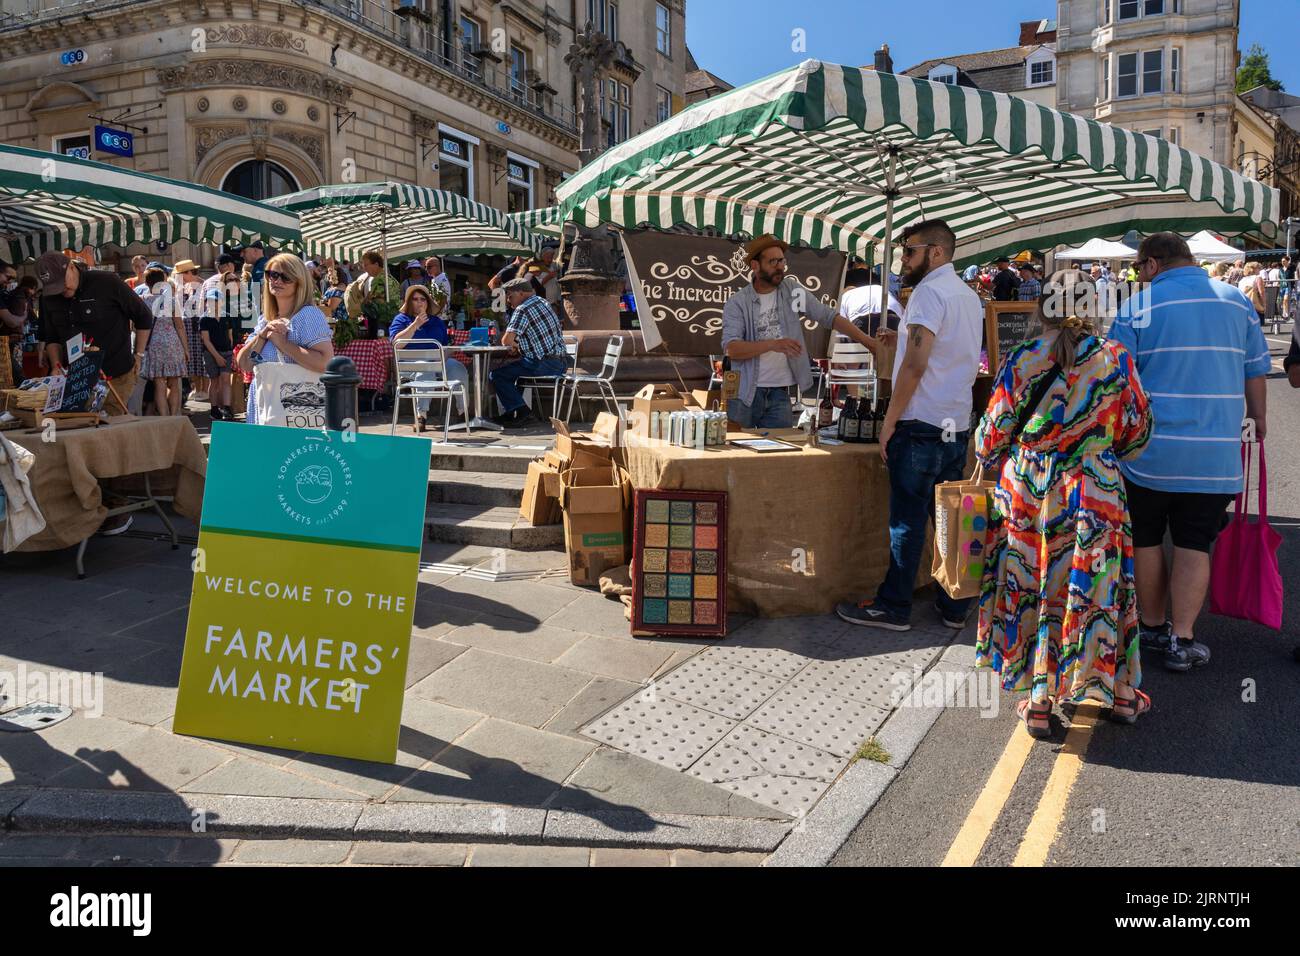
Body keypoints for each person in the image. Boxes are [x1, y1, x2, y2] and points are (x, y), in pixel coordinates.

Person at [974, 274, 1154, 736]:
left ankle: (1038, 701)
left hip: (1030, 491)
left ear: (1041, 308)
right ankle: (1122, 695)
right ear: (1092, 305)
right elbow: (1139, 435)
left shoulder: (1022, 359)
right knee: (1098, 589)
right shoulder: (1116, 359)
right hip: (1096, 491)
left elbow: (990, 439)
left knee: (1034, 586)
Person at [1109, 232, 1270, 672]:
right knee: (1194, 542)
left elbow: (1118, 381)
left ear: (1152, 265)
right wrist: (1259, 420)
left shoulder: (1137, 307)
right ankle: (1183, 639)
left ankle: (1152, 626)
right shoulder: (1237, 301)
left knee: (1145, 537)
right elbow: (1256, 370)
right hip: (1213, 452)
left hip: (1147, 453)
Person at [836, 219, 984, 632]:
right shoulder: (967, 296)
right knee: (949, 519)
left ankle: (894, 605)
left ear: (936, 252)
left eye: (909, 250)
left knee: (908, 519)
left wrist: (889, 420)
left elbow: (917, 366)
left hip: (921, 421)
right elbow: (935, 353)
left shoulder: (928, 292)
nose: (903, 258)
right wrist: (898, 340)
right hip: (955, 420)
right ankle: (955, 604)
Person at [721, 234, 886, 429]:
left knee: (781, 454)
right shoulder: (738, 302)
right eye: (772, 261)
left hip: (781, 393)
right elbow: (732, 349)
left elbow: (828, 316)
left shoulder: (791, 290)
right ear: (755, 266)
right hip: (745, 393)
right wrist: (774, 344)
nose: (780, 266)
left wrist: (868, 342)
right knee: (739, 454)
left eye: (782, 260)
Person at [37, 252, 152, 419]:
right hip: (75, 379)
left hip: (115, 374)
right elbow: (52, 336)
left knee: (111, 428)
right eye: (53, 286)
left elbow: (144, 316)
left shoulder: (107, 282)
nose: (61, 290)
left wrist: (139, 355)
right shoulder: (48, 298)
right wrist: (56, 365)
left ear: (71, 266)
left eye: (62, 283)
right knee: (80, 428)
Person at [235, 254, 333, 425]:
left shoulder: (307, 316)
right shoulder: (265, 319)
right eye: (272, 275)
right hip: (265, 407)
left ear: (299, 283)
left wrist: (283, 344)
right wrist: (262, 335)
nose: (277, 280)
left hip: (296, 411)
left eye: (285, 277)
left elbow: (325, 362)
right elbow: (244, 364)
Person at [489, 276, 568, 427]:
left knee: (497, 375)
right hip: (560, 362)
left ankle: (524, 413)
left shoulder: (523, 308)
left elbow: (506, 340)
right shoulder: (543, 301)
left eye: (510, 296)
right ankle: (512, 413)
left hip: (544, 363)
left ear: (520, 293)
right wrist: (518, 347)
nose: (508, 302)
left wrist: (514, 346)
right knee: (517, 374)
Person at [389, 284, 470, 430]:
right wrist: (415, 325)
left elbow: (445, 347)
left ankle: (462, 413)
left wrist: (449, 351)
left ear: (427, 302)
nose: (419, 302)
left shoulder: (437, 322)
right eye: (415, 299)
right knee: (425, 367)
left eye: (423, 299)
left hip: (438, 362)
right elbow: (396, 344)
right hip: (410, 366)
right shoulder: (401, 320)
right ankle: (421, 416)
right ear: (409, 302)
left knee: (458, 368)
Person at [138, 266, 188, 416]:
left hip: (153, 344)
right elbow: (180, 326)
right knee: (174, 383)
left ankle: (165, 416)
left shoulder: (142, 301)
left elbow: (136, 327)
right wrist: (186, 349)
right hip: (173, 343)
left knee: (159, 383)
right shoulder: (171, 301)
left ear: (146, 283)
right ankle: (174, 414)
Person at [201, 270, 240, 421]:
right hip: (211, 353)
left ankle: (227, 408)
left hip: (226, 352)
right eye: (211, 301)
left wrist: (231, 352)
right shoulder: (205, 319)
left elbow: (230, 336)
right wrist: (216, 356)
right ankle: (214, 408)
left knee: (225, 379)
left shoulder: (227, 317)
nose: (214, 303)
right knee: (214, 380)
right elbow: (206, 340)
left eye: (216, 301)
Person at [838, 267, 903, 336]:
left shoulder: (844, 297)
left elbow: (841, 325)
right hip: (894, 318)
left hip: (864, 320)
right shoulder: (879, 289)